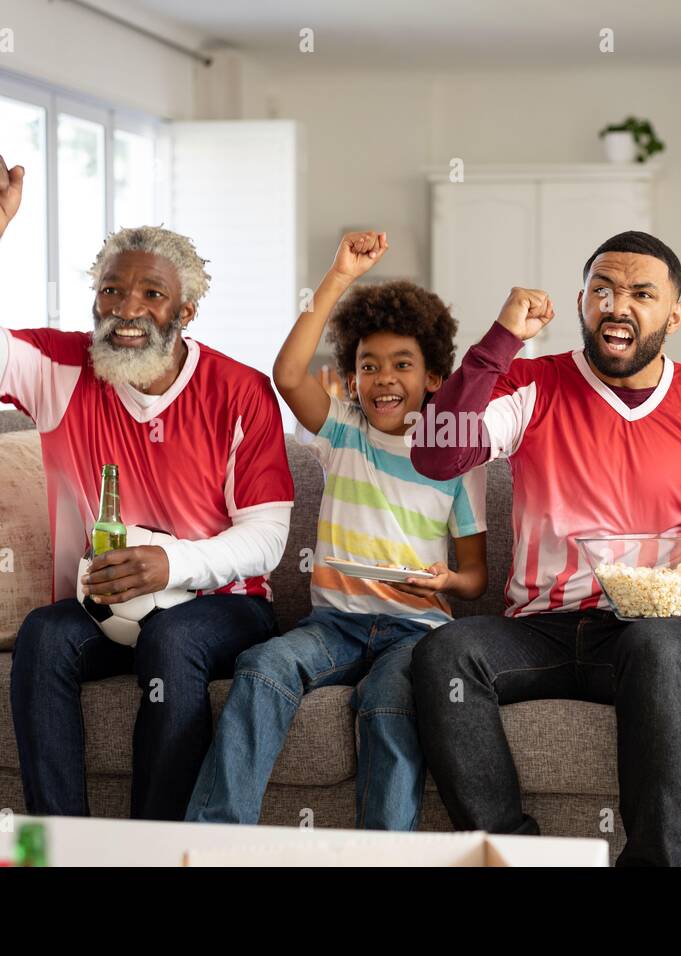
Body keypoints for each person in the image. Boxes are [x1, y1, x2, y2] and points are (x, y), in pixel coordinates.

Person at [0, 155, 294, 820]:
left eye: (152, 295)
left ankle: (155, 850)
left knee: (171, 641)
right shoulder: (61, 368)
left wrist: (172, 562)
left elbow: (267, 538)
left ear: (186, 312)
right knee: (43, 635)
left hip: (224, 603)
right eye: (112, 292)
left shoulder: (240, 391)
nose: (127, 310)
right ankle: (61, 845)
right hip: (102, 606)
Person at [409, 231, 681, 866]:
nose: (617, 306)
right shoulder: (531, 384)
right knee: (446, 651)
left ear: (674, 314)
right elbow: (436, 453)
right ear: (582, 301)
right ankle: (512, 855)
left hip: (648, 635)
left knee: (662, 648)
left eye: (641, 293)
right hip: (539, 632)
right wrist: (500, 340)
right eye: (602, 291)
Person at [187, 231, 487, 830]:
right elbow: (288, 372)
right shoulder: (342, 433)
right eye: (367, 366)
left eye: (402, 364)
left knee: (387, 703)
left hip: (415, 632)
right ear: (351, 378)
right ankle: (216, 843)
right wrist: (338, 277)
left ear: (433, 379)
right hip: (334, 626)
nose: (383, 379)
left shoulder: (457, 458)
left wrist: (448, 580)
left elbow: (476, 579)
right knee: (261, 668)